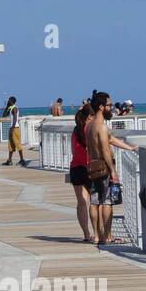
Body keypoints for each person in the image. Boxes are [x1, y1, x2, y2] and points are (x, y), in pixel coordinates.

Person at [86, 90, 132, 246]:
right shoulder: (102, 127)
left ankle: (96, 236)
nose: (111, 108)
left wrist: (130, 148)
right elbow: (105, 150)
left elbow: (110, 140)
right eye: (109, 105)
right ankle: (107, 236)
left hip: (93, 166)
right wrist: (113, 171)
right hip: (104, 167)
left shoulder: (90, 126)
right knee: (107, 202)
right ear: (100, 107)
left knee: (94, 201)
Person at [68, 103, 95, 243]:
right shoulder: (90, 129)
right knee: (93, 202)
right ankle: (97, 234)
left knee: (81, 202)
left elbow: (73, 150)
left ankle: (86, 234)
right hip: (90, 168)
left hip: (76, 168)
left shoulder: (75, 130)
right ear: (90, 116)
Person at [2, 95, 26, 166]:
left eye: (9, 100)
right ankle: (9, 160)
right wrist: (7, 107)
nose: (8, 101)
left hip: (15, 128)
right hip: (12, 128)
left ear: (12, 101)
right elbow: (4, 115)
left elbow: (15, 119)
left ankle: (22, 160)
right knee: (10, 145)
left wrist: (12, 129)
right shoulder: (11, 108)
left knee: (17, 144)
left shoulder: (14, 108)